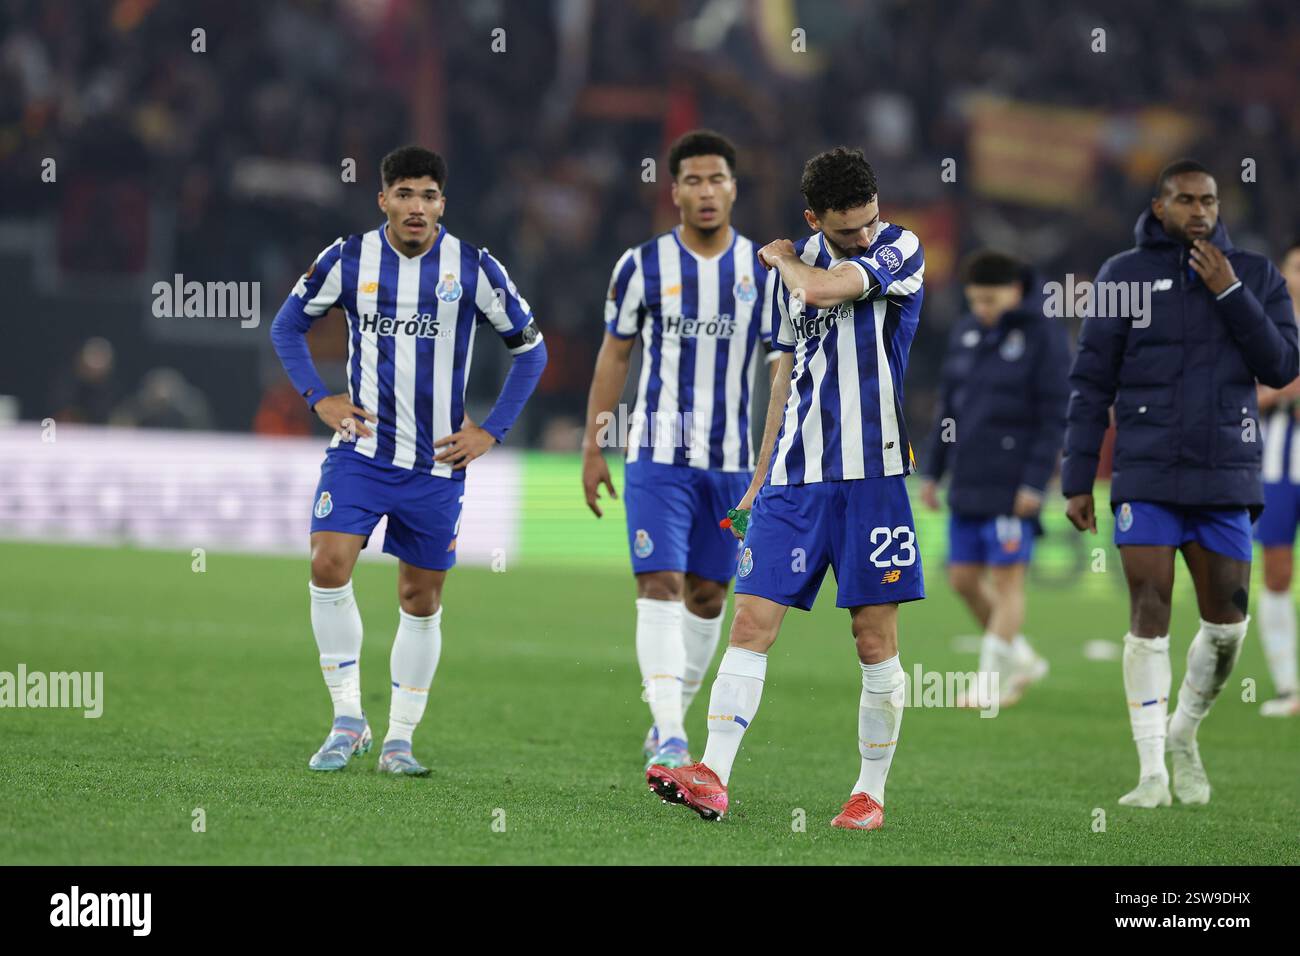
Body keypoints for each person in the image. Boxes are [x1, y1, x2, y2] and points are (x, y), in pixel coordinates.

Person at [646, 146, 924, 830]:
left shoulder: (901, 247)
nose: (862, 236)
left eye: (867, 222)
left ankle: (870, 793)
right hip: (794, 479)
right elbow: (784, 380)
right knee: (750, 622)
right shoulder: (789, 270)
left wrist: (789, 261)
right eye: (845, 229)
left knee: (872, 637)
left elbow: (826, 289)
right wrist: (756, 481)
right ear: (812, 218)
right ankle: (712, 773)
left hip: (873, 476)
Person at [270, 146, 547, 775]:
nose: (416, 207)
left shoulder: (474, 268)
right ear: (384, 200)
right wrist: (318, 397)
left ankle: (398, 738)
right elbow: (286, 326)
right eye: (404, 194)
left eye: (428, 195)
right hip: (362, 452)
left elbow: (531, 351)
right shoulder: (347, 259)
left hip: (437, 463)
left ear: (442, 204)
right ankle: (346, 718)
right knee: (327, 560)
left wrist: (492, 431)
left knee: (419, 599)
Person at [1062, 160, 1298, 808]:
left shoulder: (1254, 275)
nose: (1200, 211)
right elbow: (1091, 382)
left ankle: (1184, 733)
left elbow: (1281, 365)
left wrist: (1229, 292)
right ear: (1160, 206)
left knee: (1228, 627)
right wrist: (1077, 475)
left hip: (1226, 469)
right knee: (1149, 609)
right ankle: (1150, 773)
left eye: (1210, 200)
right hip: (1145, 470)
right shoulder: (1122, 276)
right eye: (1186, 200)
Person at [581, 130, 778, 770]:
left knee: (708, 596)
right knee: (659, 582)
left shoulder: (762, 271)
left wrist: (775, 460)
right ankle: (669, 733)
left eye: (716, 178)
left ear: (733, 187)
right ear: (675, 192)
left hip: (731, 464)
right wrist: (594, 444)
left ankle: (674, 717)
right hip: (657, 454)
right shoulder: (641, 267)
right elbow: (615, 353)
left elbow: (782, 370)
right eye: (692, 180)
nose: (705, 191)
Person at [920, 251, 1069, 707]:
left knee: (1007, 583)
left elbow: (1053, 416)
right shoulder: (967, 332)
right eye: (975, 301)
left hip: (1012, 484)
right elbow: (949, 406)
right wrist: (933, 470)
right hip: (967, 477)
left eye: (990, 299)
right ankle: (1021, 658)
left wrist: (1035, 482)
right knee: (963, 579)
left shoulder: (1044, 336)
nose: (982, 309)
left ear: (1015, 289)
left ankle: (987, 681)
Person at [1253, 240, 1300, 716]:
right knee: (1277, 573)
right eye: (1298, 268)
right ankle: (1289, 688)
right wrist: (1280, 392)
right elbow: (1241, 395)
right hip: (1277, 470)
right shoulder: (1265, 329)